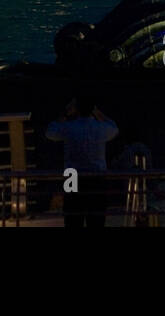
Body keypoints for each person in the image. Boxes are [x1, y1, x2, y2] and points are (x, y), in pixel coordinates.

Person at [45, 94, 119, 227]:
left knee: (72, 218)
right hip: (97, 177)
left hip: (71, 176)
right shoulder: (100, 128)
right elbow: (114, 128)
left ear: (76, 109)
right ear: (92, 109)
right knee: (96, 219)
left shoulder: (69, 127)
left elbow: (50, 132)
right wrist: (97, 112)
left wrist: (65, 113)